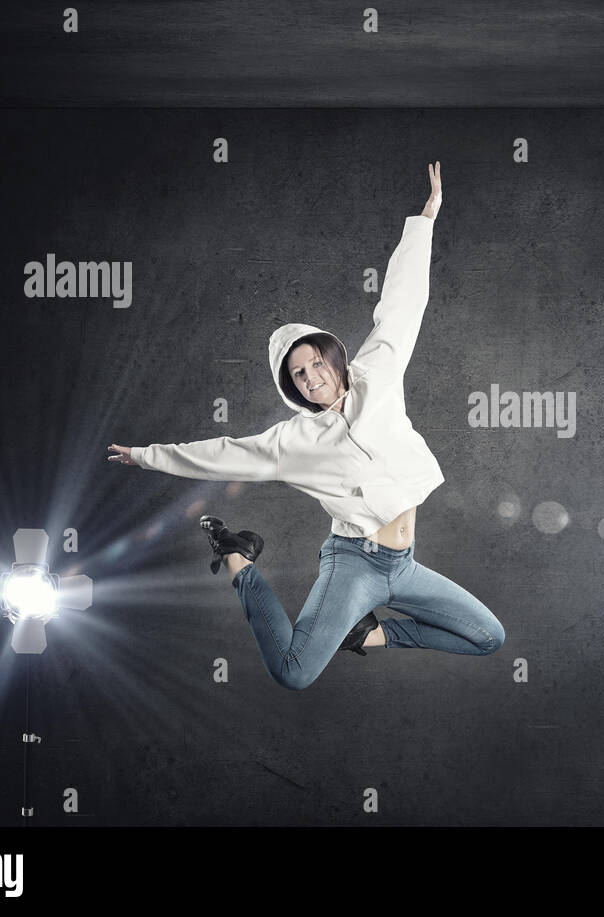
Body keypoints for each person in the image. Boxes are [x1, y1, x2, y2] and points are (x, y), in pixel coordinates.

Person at [108, 162, 504, 691]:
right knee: (293, 672)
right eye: (298, 374)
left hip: (404, 564)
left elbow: (403, 305)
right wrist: (146, 455)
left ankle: (366, 637)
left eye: (316, 362)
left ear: (333, 358)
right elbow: (224, 452)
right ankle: (237, 557)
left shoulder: (377, 376)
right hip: (354, 564)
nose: (312, 376)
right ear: (291, 387)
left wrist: (424, 220)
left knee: (487, 635)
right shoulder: (294, 442)